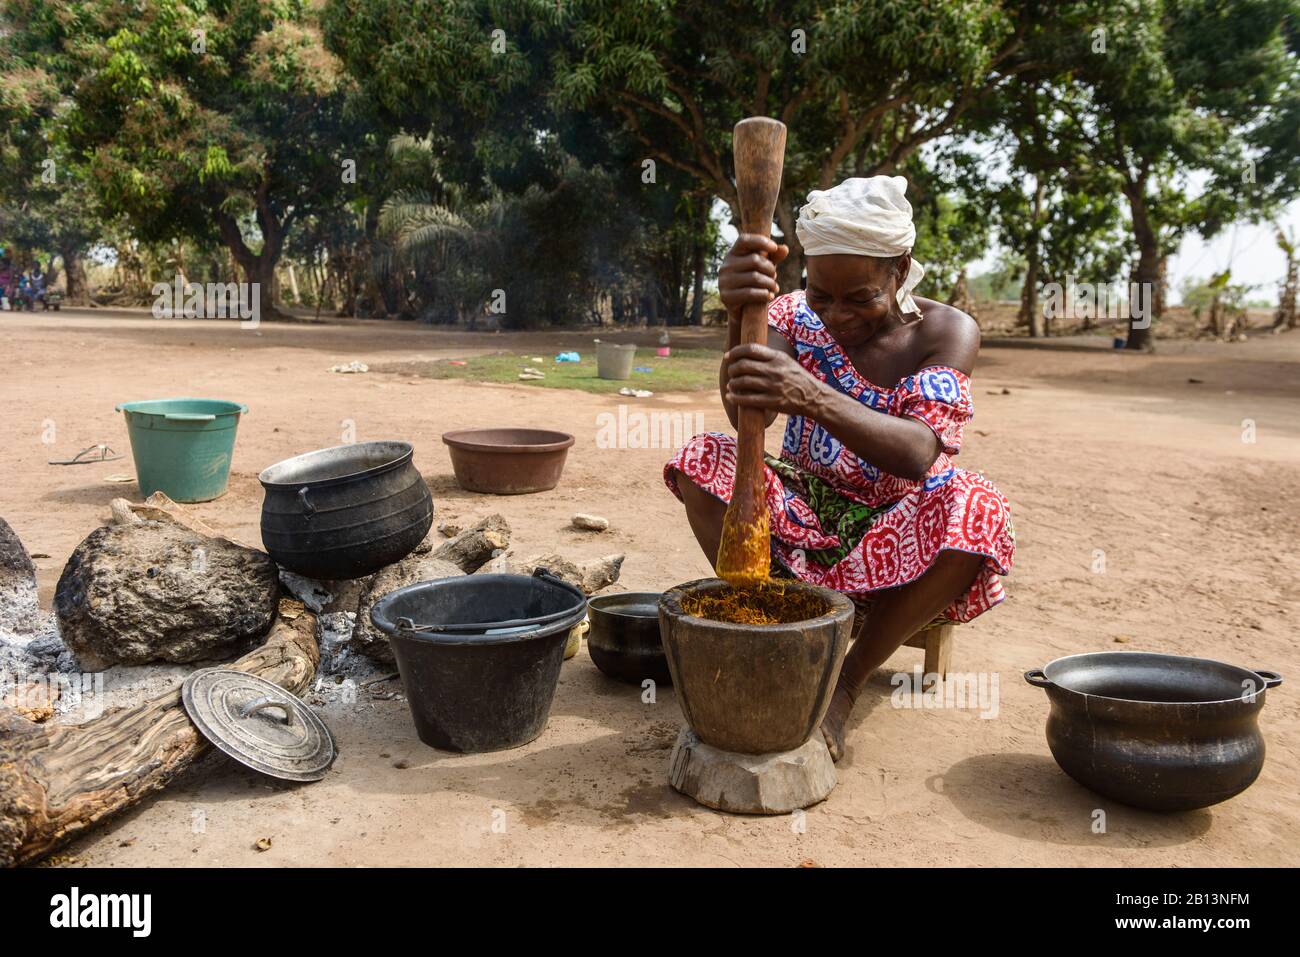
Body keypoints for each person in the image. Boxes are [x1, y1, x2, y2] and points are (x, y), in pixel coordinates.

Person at [664, 176, 1015, 760]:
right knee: (704, 458)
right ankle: (775, 628)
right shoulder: (792, 316)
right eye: (821, 294)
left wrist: (811, 394)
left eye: (860, 298)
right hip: (804, 508)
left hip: (895, 532)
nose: (836, 314)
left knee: (978, 505)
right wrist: (738, 317)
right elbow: (744, 417)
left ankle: (844, 685)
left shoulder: (947, 330)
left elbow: (918, 453)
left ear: (899, 270)